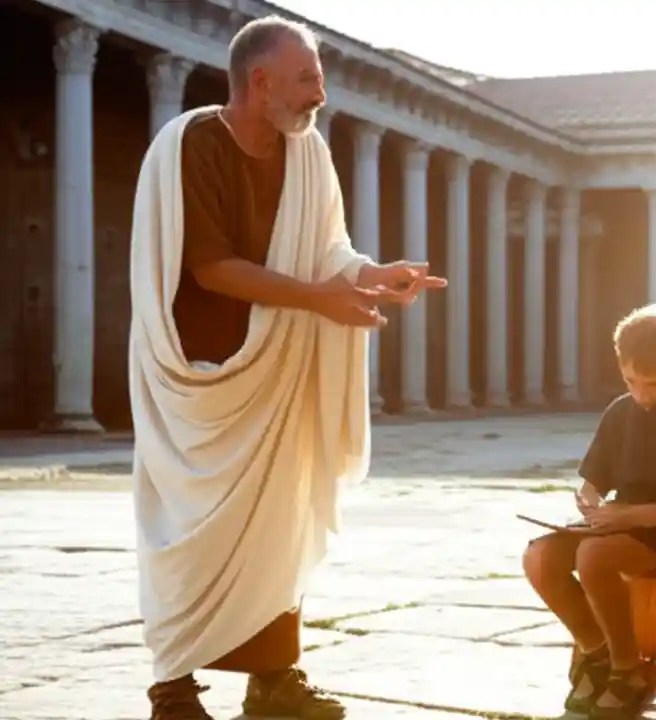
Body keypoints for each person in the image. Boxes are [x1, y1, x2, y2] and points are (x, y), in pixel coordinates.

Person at [129, 15, 446, 720]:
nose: (320, 96)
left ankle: (274, 679)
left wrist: (370, 274)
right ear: (261, 81)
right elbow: (209, 268)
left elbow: (327, 250)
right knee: (189, 532)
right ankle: (172, 690)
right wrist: (323, 301)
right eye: (308, 80)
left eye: (320, 80)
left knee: (284, 519)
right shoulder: (189, 144)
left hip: (280, 373)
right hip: (201, 373)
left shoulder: (309, 157)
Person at [521, 303, 656, 720]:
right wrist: (589, 503)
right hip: (620, 525)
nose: (641, 394)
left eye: (654, 384)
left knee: (594, 556)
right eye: (631, 381)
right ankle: (597, 650)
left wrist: (627, 518)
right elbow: (592, 480)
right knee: (540, 555)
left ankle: (628, 669)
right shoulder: (621, 410)